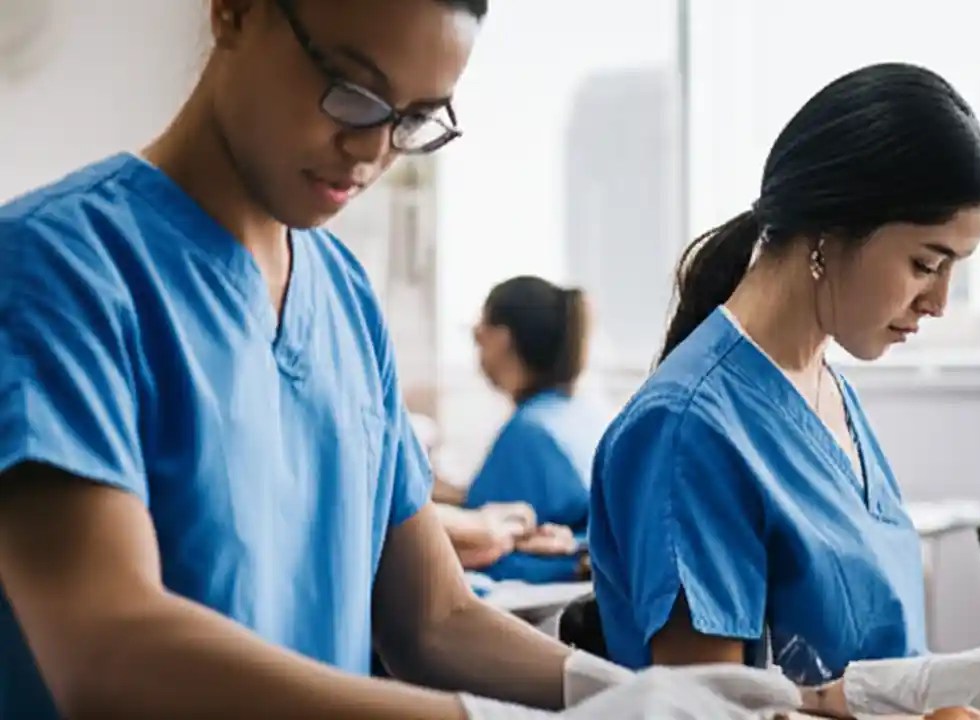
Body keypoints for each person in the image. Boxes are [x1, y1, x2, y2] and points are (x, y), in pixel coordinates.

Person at [0, 1, 804, 718]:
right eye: (352, 93)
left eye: (416, 119)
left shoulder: (344, 299)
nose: (372, 149)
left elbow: (433, 619)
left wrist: (619, 691)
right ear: (235, 12)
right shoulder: (58, 270)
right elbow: (109, 650)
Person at [587, 62, 980, 720]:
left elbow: (877, 656)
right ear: (829, 233)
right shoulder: (688, 427)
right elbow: (710, 711)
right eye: (926, 263)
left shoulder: (826, 391)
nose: (941, 303)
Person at [466, 276, 608, 581]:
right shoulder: (582, 413)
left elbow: (477, 549)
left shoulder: (527, 433)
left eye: (479, 334)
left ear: (502, 338)